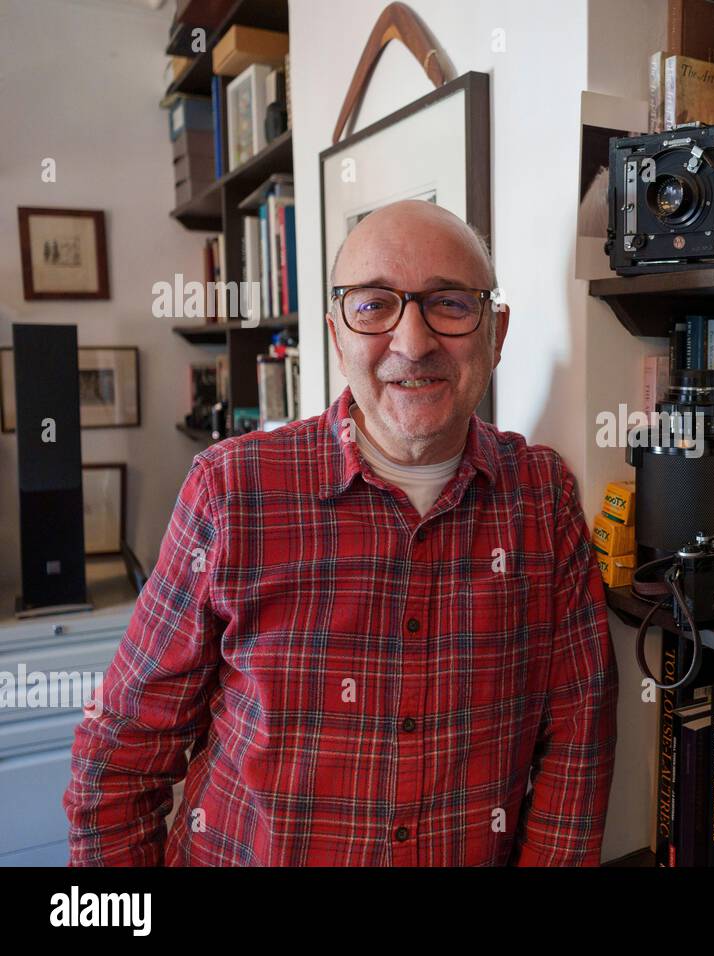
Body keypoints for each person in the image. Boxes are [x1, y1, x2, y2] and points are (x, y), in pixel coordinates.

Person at [64, 200, 619, 866]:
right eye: (373, 305)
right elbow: (121, 755)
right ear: (336, 335)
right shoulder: (232, 490)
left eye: (449, 304)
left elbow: (577, 751)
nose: (413, 344)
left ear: (495, 333)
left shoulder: (543, 498)